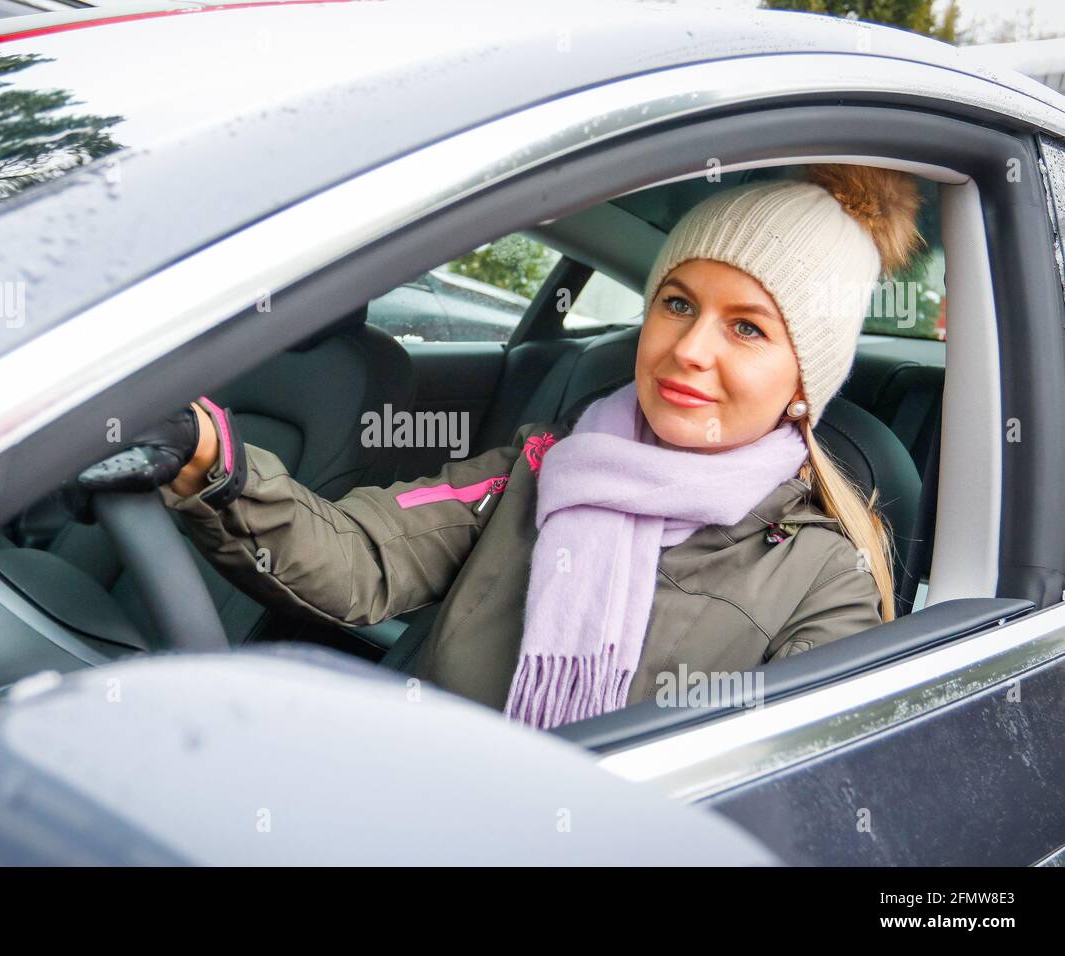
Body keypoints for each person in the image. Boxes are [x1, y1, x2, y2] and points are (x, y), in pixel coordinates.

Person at [155, 164, 923, 730]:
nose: (690, 349)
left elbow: (784, 793)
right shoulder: (540, 467)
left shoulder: (825, 577)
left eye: (747, 327)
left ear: (805, 380)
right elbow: (361, 557)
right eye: (677, 303)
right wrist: (214, 468)